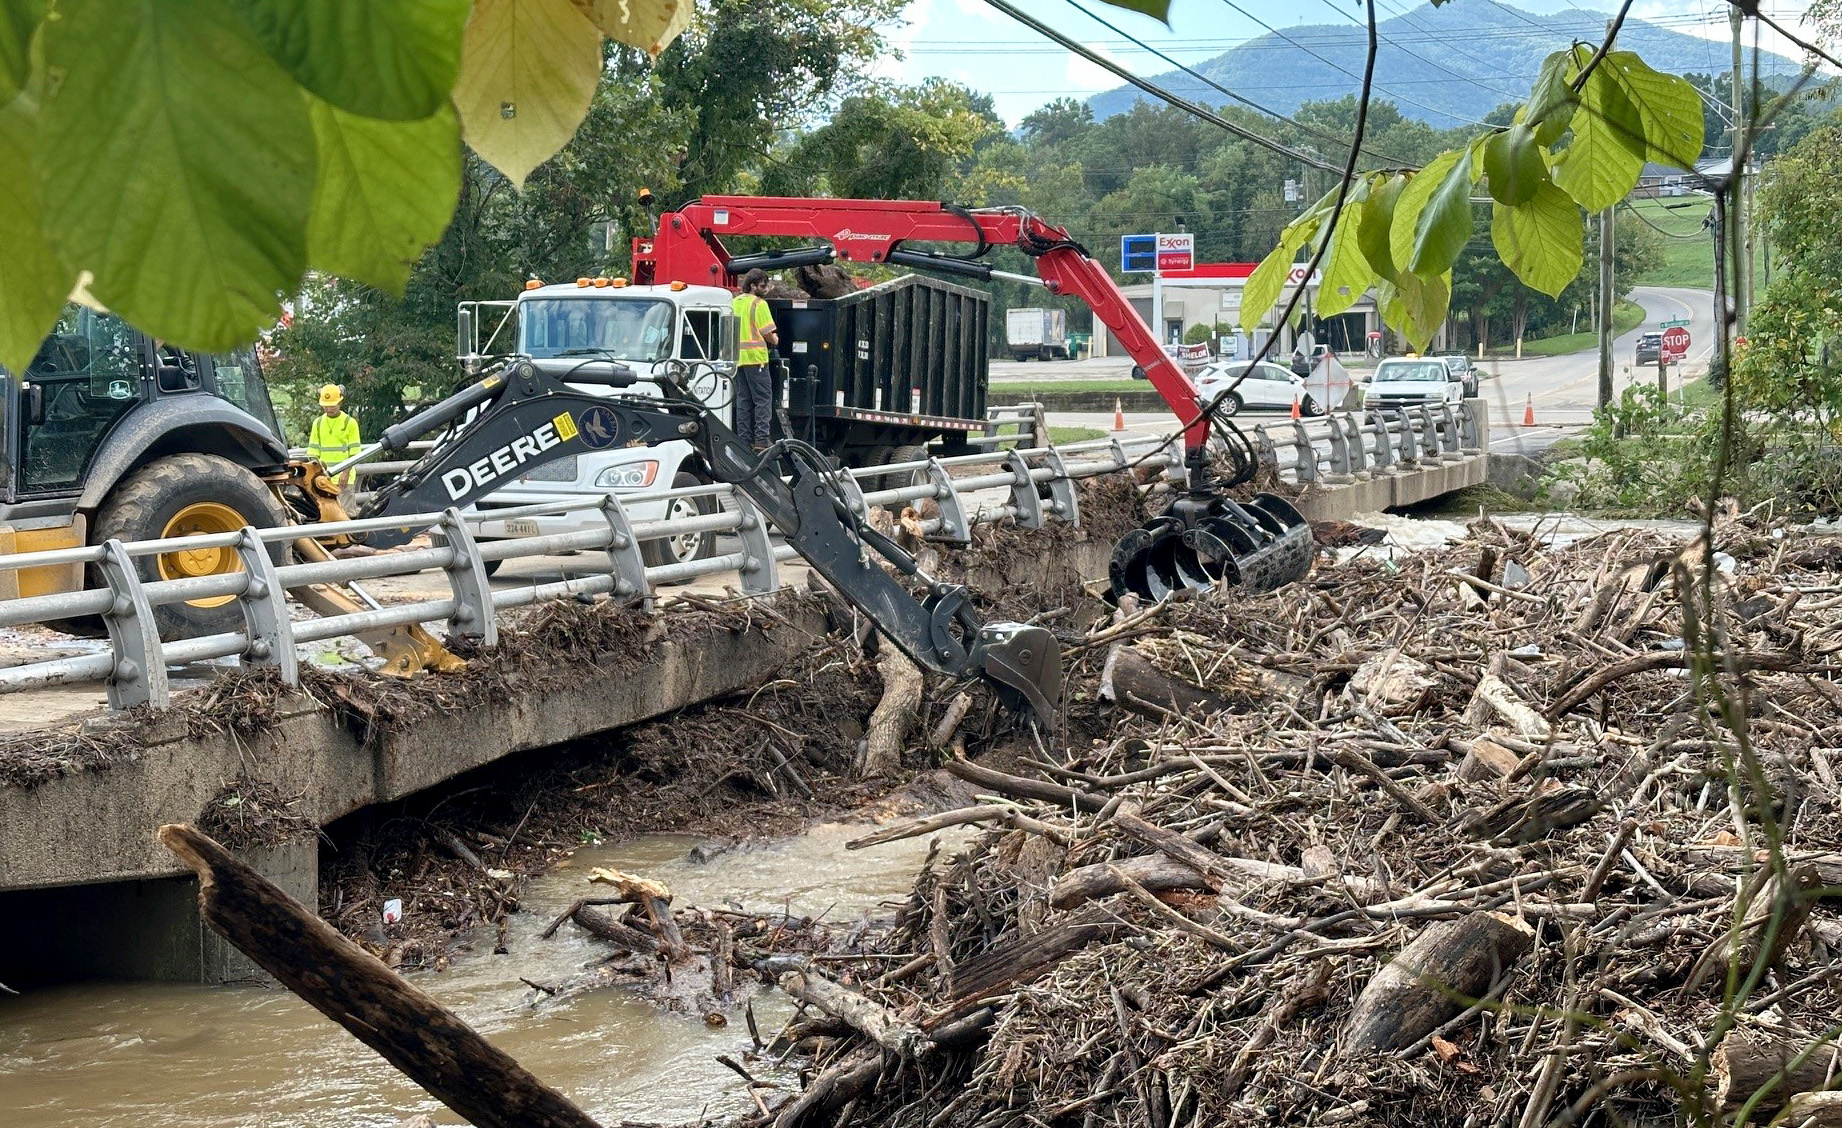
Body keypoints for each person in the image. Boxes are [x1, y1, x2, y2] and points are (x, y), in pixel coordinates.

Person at [731, 269, 780, 451]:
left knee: (743, 400)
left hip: (738, 360)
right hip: (756, 359)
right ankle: (761, 440)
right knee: (763, 399)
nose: (765, 289)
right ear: (752, 286)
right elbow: (767, 332)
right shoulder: (759, 304)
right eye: (762, 285)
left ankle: (744, 440)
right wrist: (775, 340)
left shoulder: (734, 302)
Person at [307, 384, 362, 487]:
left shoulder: (350, 422)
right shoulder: (318, 423)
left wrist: (345, 473)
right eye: (325, 406)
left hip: (344, 478)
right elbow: (313, 453)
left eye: (332, 406)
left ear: (340, 403)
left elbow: (354, 453)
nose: (329, 409)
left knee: (345, 503)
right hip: (324, 478)